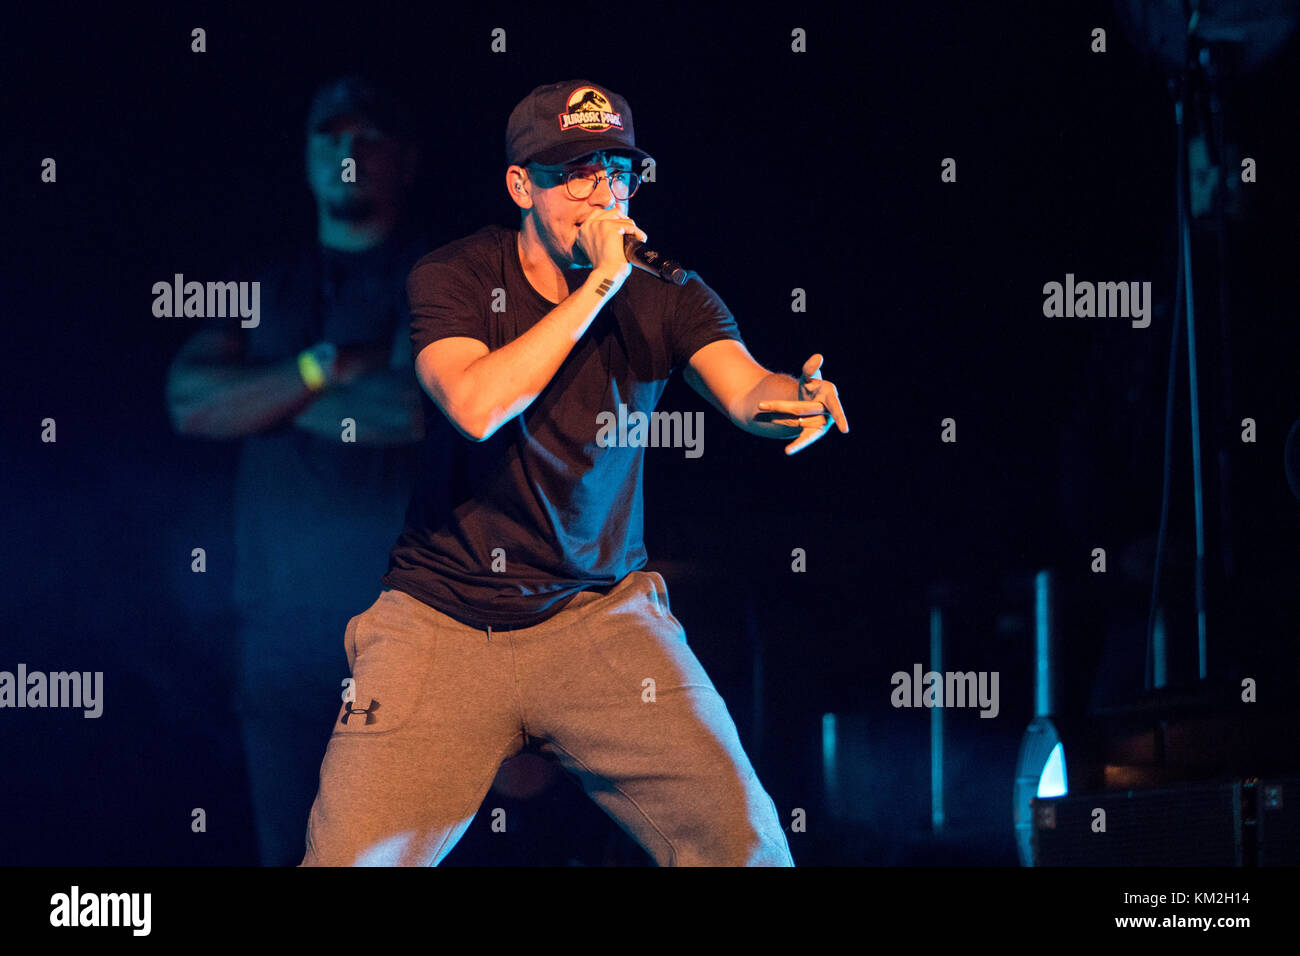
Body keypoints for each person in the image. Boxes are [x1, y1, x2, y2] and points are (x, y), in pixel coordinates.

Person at [300, 79, 848, 867]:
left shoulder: (666, 291)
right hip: (441, 620)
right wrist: (598, 285)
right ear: (522, 186)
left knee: (748, 848)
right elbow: (478, 403)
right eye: (574, 174)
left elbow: (743, 387)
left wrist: (795, 401)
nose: (602, 193)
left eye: (616, 171)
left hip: (599, 619)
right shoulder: (453, 276)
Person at [166, 75, 438, 866]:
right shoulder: (259, 282)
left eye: (368, 138)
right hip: (279, 646)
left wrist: (262, 397)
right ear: (307, 154)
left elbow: (415, 410)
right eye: (330, 135)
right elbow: (188, 402)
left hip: (410, 639)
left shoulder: (442, 277)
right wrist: (329, 368)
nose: (346, 152)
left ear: (407, 160)